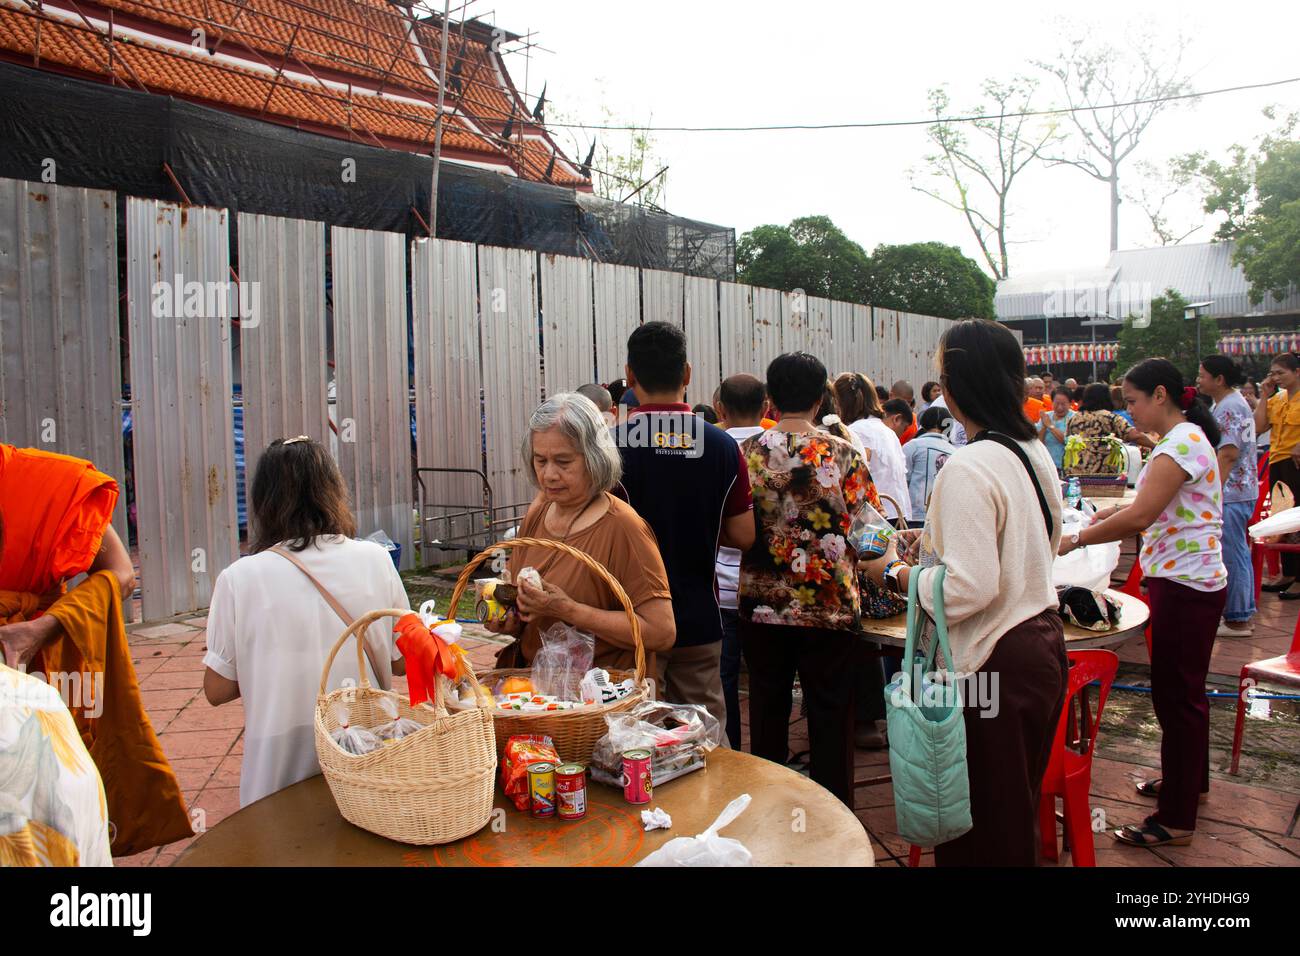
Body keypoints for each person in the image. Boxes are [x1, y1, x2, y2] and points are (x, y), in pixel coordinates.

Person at [865, 319, 1067, 866]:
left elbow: (968, 589)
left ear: (952, 388)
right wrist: (933, 544)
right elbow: (1038, 539)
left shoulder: (970, 466)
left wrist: (895, 573)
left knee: (981, 832)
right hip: (1039, 643)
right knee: (1012, 812)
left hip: (991, 658)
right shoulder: (1030, 449)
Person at [1058, 359, 1226, 848]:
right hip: (1187, 578)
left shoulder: (1181, 444)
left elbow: (1143, 516)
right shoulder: (1183, 440)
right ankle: (1188, 783)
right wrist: (1111, 511)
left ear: (1159, 395)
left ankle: (1175, 819)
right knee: (1185, 693)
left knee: (1177, 697)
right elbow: (1148, 505)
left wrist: (1077, 539)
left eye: (1132, 401)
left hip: (1185, 583)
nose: (1129, 411)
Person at [0, 444, 191, 857]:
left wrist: (44, 628)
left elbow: (120, 575)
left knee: (55, 782)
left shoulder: (53, 480)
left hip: (47, 660)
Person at [204, 438, 411, 807]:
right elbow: (402, 661)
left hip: (277, 772)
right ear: (333, 491)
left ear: (264, 502)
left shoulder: (239, 579)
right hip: (365, 756)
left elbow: (217, 689)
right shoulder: (376, 560)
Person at [740, 352, 882, 804]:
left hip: (763, 603)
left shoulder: (748, 454)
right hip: (830, 604)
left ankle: (766, 806)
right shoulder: (843, 453)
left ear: (771, 398)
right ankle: (834, 811)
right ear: (821, 398)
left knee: (767, 707)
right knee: (831, 711)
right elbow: (869, 530)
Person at [614, 323, 755, 730]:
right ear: (687, 373)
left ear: (630, 375)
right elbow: (744, 536)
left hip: (631, 621)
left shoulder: (610, 446)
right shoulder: (722, 446)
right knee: (705, 736)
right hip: (699, 617)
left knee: (633, 736)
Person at [487, 394, 676, 675]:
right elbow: (526, 607)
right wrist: (512, 618)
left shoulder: (623, 527)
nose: (549, 475)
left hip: (601, 693)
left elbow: (661, 632)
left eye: (563, 462)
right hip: (536, 690)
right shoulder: (539, 512)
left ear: (595, 457)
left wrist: (568, 610)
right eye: (540, 460)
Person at [712, 374, 768, 751]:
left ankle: (732, 758)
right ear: (765, 407)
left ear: (720, 407)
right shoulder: (778, 447)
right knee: (769, 684)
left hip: (722, 589)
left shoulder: (710, 448)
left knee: (724, 682)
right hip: (771, 590)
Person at [1198, 356, 1258, 636]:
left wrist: (1213, 490)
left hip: (1233, 491)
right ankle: (1238, 613)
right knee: (1236, 552)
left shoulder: (1230, 406)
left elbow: (1228, 453)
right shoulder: (1228, 403)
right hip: (1237, 489)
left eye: (1203, 375)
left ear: (1219, 379)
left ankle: (1238, 618)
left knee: (1233, 554)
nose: (1199, 380)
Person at [835, 373, 912, 523]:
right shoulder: (886, 431)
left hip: (877, 518)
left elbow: (856, 475)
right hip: (898, 514)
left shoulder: (856, 432)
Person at [1254, 352, 1300, 598]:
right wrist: (1264, 396)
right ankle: (1289, 572)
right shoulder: (1278, 399)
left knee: (1298, 519)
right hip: (1278, 461)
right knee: (1282, 517)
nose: (1276, 378)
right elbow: (1260, 426)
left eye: (1281, 373)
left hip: (1296, 463)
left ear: (1297, 372)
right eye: (1273, 373)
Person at [903, 405, 957, 527]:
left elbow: (903, 479)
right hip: (942, 518)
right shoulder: (954, 452)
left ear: (924, 422)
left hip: (915, 516)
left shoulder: (913, 446)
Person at [1065, 383, 1133, 476]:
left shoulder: (1074, 419)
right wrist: (1152, 445)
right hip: (1104, 475)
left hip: (1076, 474)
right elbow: (1133, 434)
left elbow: (1067, 440)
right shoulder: (1110, 418)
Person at [1038, 387, 1076, 471]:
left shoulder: (1074, 418)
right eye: (1056, 403)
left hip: (1067, 467)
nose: (1059, 407)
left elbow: (1067, 441)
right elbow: (1039, 443)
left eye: (1063, 404)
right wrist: (1044, 426)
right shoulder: (1046, 416)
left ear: (1070, 403)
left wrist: (1050, 426)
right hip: (1048, 465)